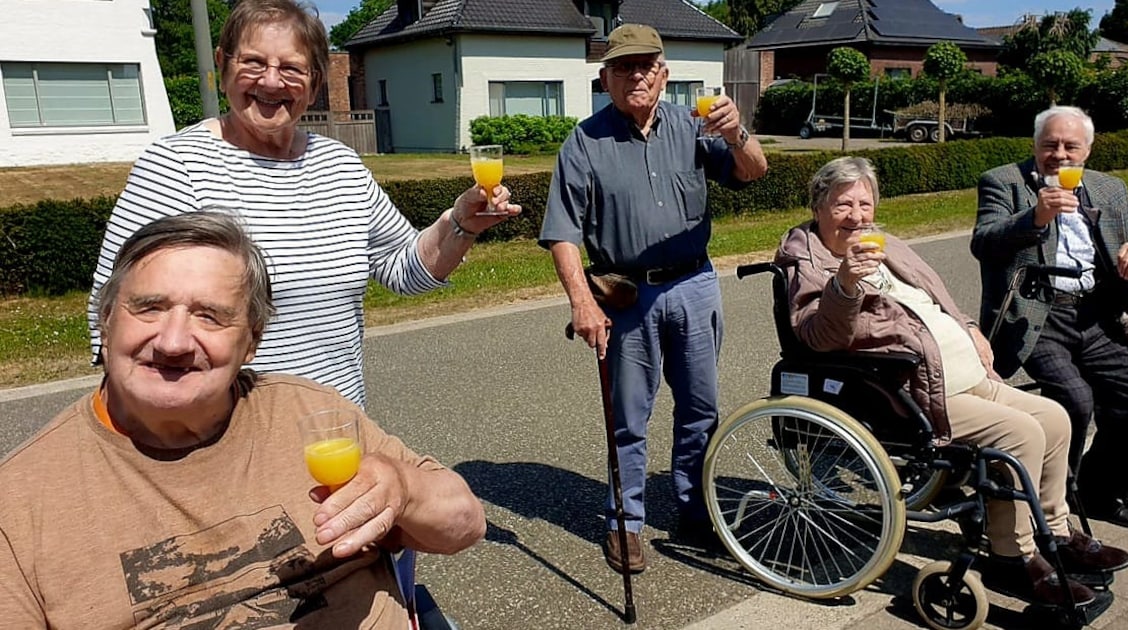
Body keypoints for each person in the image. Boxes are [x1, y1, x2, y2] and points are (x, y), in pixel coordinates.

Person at [0, 212, 486, 628]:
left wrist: (402, 489)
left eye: (209, 316)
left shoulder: (306, 412)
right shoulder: (21, 500)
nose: (172, 342)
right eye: (149, 308)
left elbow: (465, 524)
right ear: (105, 321)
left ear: (251, 342)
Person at [88, 0, 519, 407]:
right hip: (219, 436)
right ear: (222, 65)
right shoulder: (176, 166)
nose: (272, 82)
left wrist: (459, 225)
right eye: (254, 62)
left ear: (314, 85)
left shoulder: (339, 165)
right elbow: (109, 312)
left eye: (292, 68)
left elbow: (402, 268)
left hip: (333, 422)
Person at [776, 156, 1128, 606]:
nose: (857, 215)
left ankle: (1055, 533)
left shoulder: (888, 242)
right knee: (1020, 433)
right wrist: (844, 284)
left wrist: (968, 326)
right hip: (911, 389)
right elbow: (818, 336)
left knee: (1056, 418)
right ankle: (1011, 556)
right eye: (843, 205)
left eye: (865, 204)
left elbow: (932, 299)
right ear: (819, 207)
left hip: (963, 372)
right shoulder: (807, 259)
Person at [538, 23, 768, 573]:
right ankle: (625, 521)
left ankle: (696, 511)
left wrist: (738, 134)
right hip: (627, 293)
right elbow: (563, 232)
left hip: (694, 284)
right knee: (629, 417)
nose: (636, 74)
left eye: (646, 65)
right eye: (624, 66)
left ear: (664, 74)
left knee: (700, 410)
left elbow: (754, 171)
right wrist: (581, 302)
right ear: (605, 78)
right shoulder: (584, 142)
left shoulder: (694, 127)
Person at [972, 106, 1128, 530]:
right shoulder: (1004, 182)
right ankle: (1053, 503)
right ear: (1035, 145)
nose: (1060, 155)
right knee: (1075, 402)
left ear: (1087, 150)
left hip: (1097, 316)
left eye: (1071, 146)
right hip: (1038, 316)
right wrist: (1035, 218)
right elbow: (985, 242)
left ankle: (1099, 490)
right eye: (1050, 145)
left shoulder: (1108, 188)